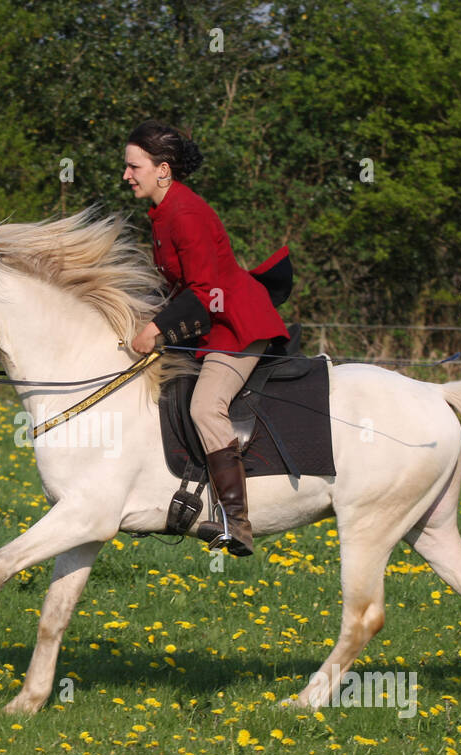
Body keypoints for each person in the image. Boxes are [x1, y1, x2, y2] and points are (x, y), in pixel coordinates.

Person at [123, 120, 293, 556]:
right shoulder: (162, 213)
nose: (126, 175)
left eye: (133, 166)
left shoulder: (186, 212)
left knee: (206, 406)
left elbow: (203, 292)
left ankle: (236, 522)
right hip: (208, 324)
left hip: (236, 324)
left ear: (163, 170)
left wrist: (157, 328)